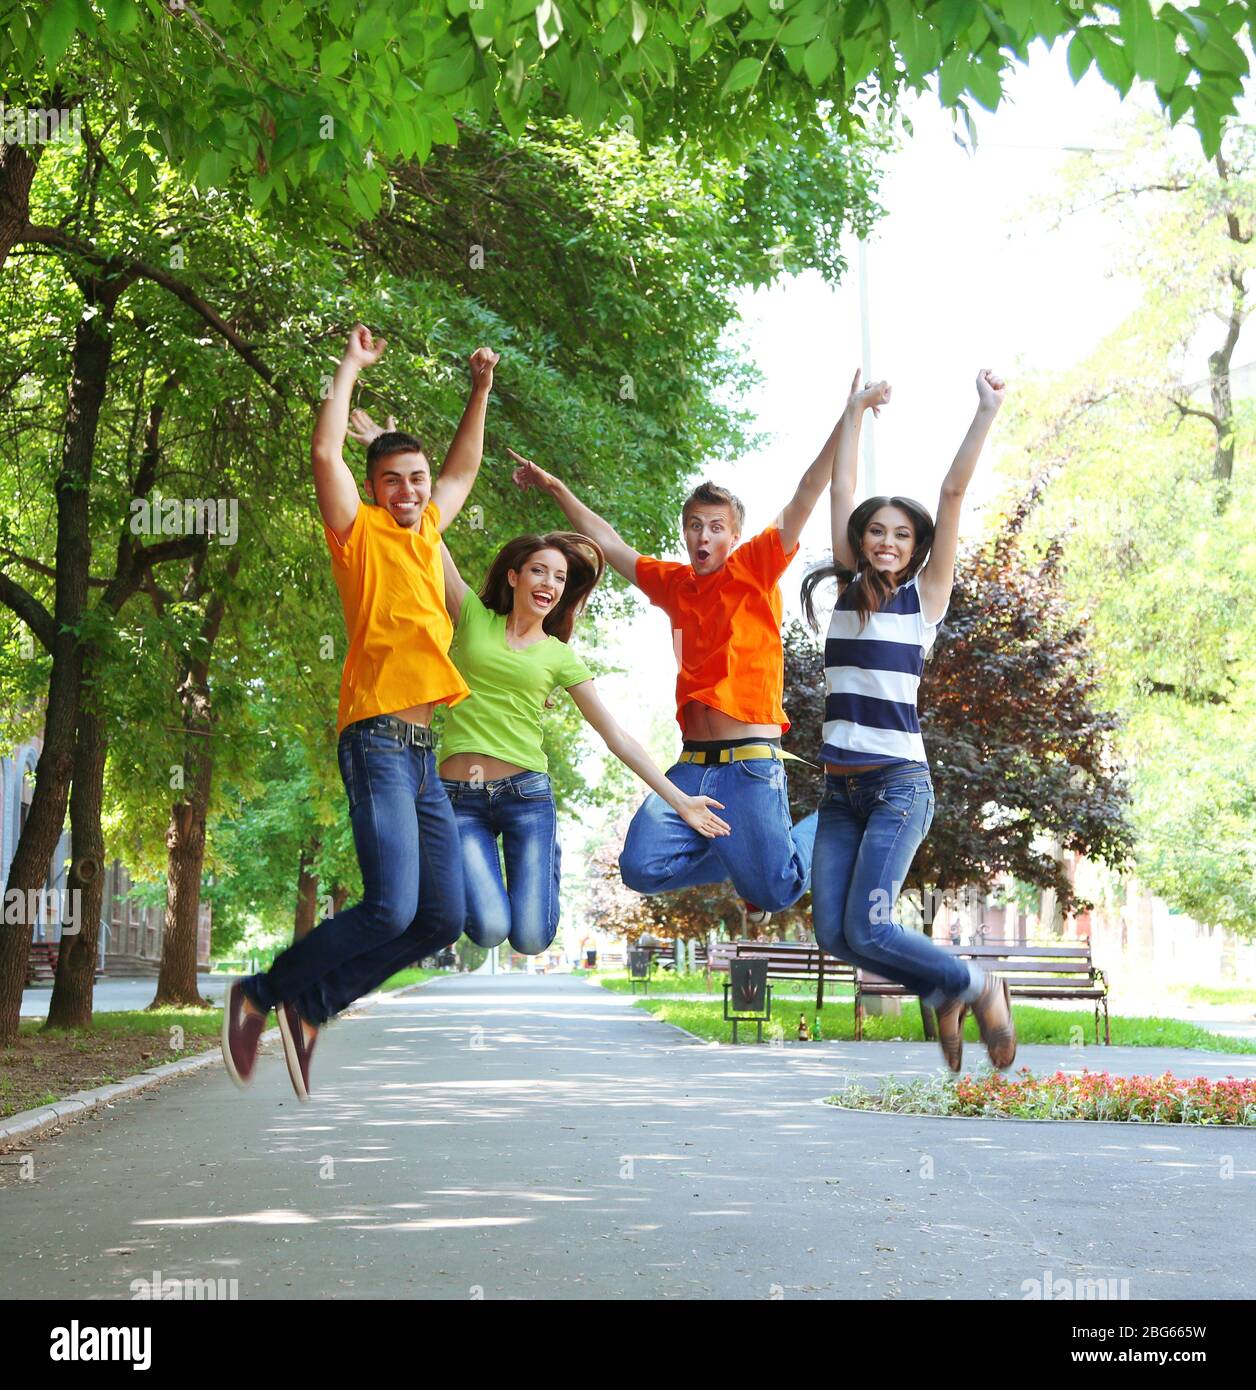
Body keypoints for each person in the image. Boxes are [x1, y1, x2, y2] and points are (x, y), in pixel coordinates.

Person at [220, 324, 499, 1101]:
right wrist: (350, 367)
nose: (411, 491)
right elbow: (323, 456)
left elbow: (465, 465)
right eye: (395, 482)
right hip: (375, 735)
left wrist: (478, 389)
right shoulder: (360, 534)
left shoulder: (428, 531)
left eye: (417, 479)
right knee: (388, 907)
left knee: (439, 919)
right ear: (375, 488)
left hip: (421, 753)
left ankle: (312, 1007)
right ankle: (262, 992)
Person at [344, 408, 732, 959]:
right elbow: (423, 534)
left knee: (529, 937)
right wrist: (386, 447)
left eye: (560, 576)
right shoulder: (472, 617)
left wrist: (681, 801)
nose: (549, 582)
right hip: (460, 799)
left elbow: (616, 737)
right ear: (515, 576)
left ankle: (540, 869)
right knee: (485, 928)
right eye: (538, 570)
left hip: (526, 796)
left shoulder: (559, 657)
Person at [510, 399, 853, 921]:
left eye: (716, 526)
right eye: (694, 525)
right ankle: (742, 861)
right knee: (642, 868)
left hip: (751, 767)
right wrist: (558, 489)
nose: (703, 536)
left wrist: (847, 416)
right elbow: (608, 542)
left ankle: (838, 817)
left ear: (734, 535)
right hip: (691, 768)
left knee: (779, 891)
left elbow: (808, 489)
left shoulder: (754, 567)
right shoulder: (674, 585)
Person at [800, 367, 1016, 1072]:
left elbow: (952, 495)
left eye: (900, 533)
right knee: (837, 933)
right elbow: (839, 488)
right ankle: (945, 988)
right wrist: (852, 409)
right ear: (861, 539)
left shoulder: (924, 600)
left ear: (914, 544)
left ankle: (975, 985)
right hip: (840, 794)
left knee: (871, 924)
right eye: (875, 531)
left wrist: (984, 411)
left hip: (897, 785)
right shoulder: (842, 589)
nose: (886, 541)